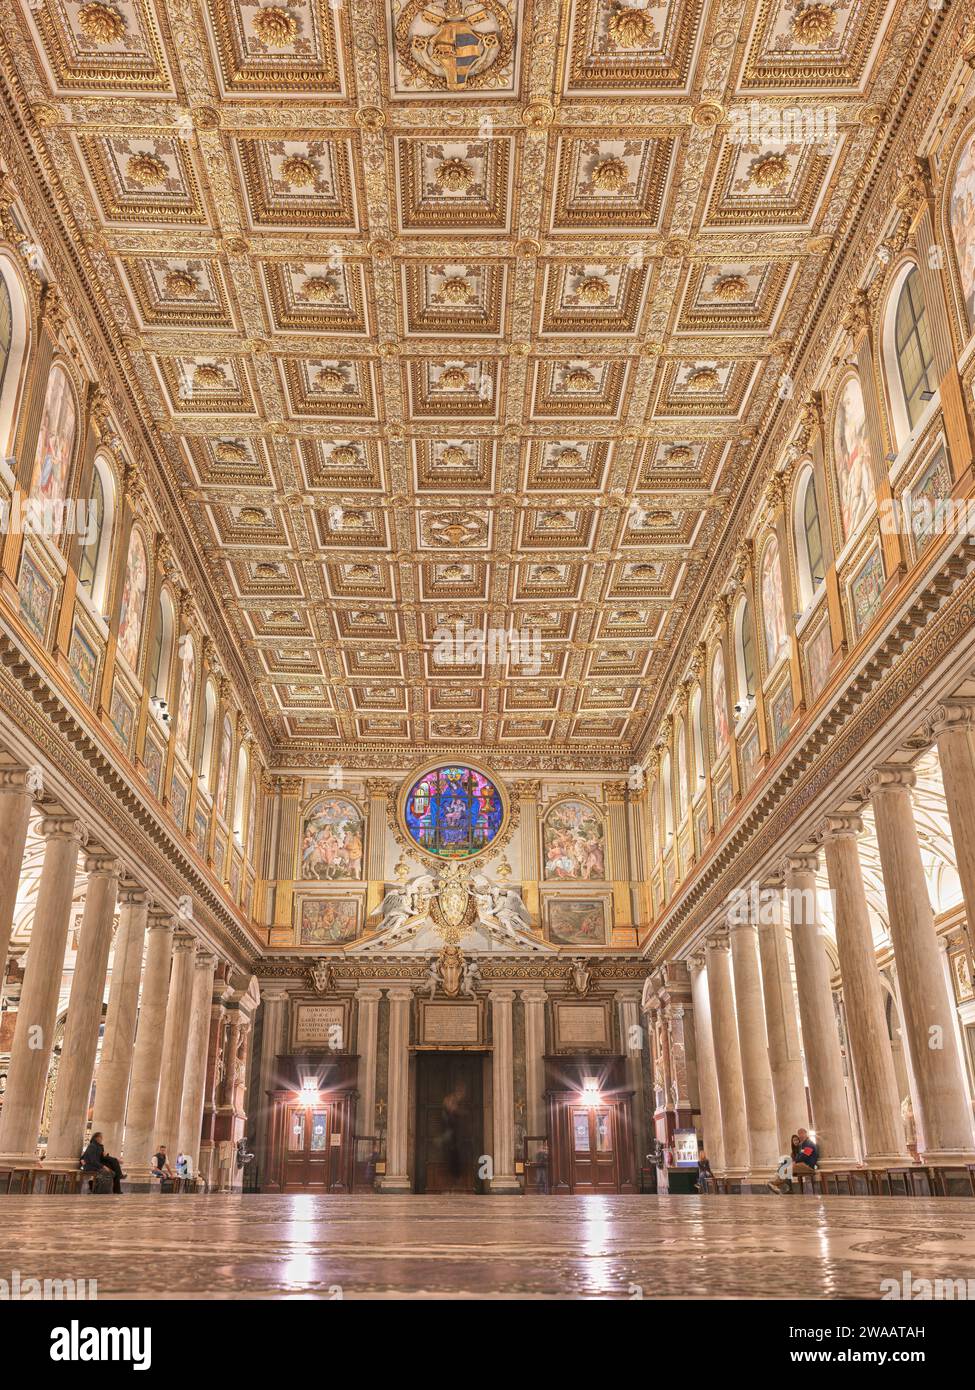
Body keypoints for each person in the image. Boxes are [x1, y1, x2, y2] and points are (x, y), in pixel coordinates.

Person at [767, 1128, 819, 1193]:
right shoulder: (803, 1144)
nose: (800, 1136)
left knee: (787, 1169)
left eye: (802, 1133)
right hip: (803, 1164)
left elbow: (804, 1156)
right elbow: (799, 1156)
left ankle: (774, 1183)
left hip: (808, 1166)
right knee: (785, 1166)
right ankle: (776, 1184)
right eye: (799, 1134)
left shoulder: (809, 1144)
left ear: (806, 1134)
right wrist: (795, 1161)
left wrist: (795, 1161)